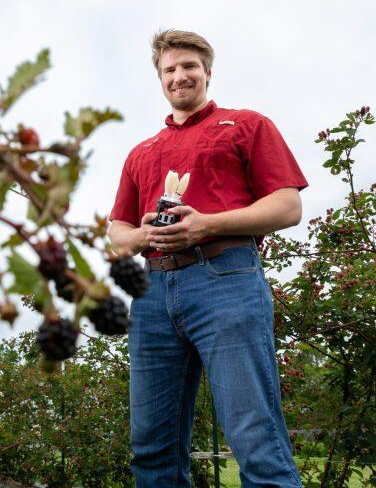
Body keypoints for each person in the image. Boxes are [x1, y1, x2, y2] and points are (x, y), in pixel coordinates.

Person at [108, 29, 307, 487]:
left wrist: (208, 224)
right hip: (153, 291)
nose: (179, 76)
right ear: (160, 79)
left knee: (252, 434)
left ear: (207, 73)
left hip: (226, 278)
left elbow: (288, 206)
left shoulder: (246, 125)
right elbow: (117, 235)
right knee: (150, 445)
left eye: (188, 67)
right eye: (169, 69)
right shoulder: (141, 152)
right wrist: (143, 235)